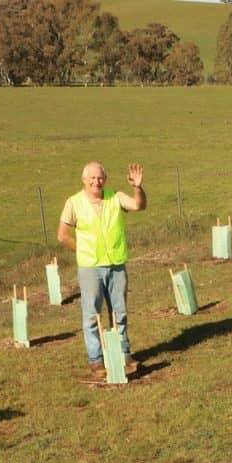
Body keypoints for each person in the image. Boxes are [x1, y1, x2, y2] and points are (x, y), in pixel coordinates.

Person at [57, 162, 147, 378]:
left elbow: (139, 206)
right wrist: (82, 251)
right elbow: (62, 235)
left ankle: (124, 353)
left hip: (116, 264)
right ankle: (96, 360)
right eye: (92, 178)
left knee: (119, 312)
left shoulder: (115, 197)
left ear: (105, 179)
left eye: (100, 178)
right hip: (90, 268)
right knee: (91, 315)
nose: (96, 182)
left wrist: (137, 187)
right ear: (84, 180)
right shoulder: (74, 203)